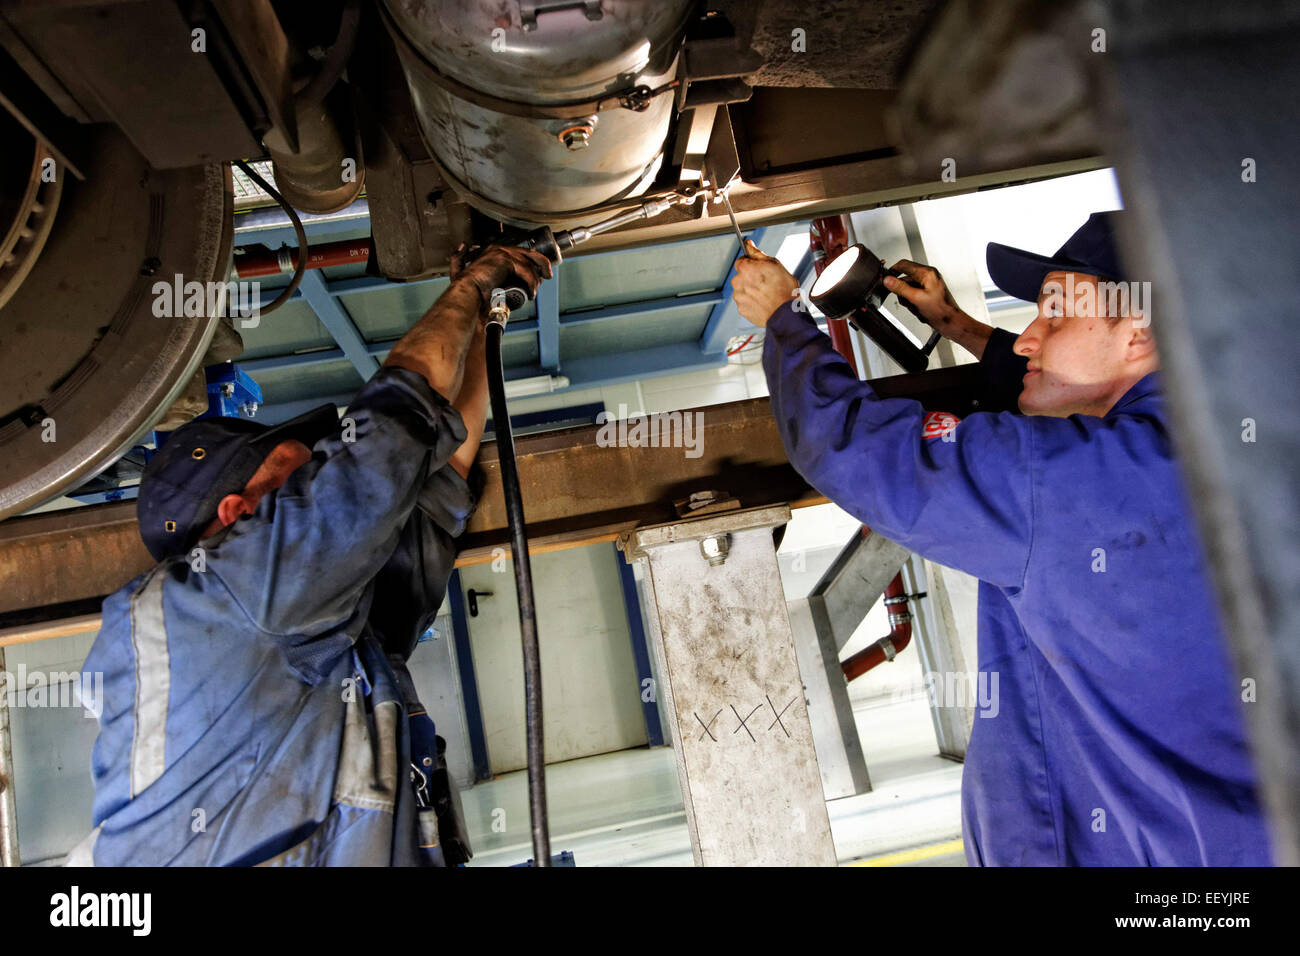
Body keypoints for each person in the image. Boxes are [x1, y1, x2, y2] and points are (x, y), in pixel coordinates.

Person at [729, 212, 1273, 865]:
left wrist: (785, 319)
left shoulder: (1068, 484)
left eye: (1054, 317)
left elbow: (853, 449)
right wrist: (955, 325)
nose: (1026, 340)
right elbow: (1075, 414)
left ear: (1140, 336)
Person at [67, 245, 552, 866]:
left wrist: (488, 309)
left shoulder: (307, 628)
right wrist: (473, 289)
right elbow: (387, 438)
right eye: (296, 482)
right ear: (236, 514)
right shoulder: (224, 599)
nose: (318, 487)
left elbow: (431, 465)